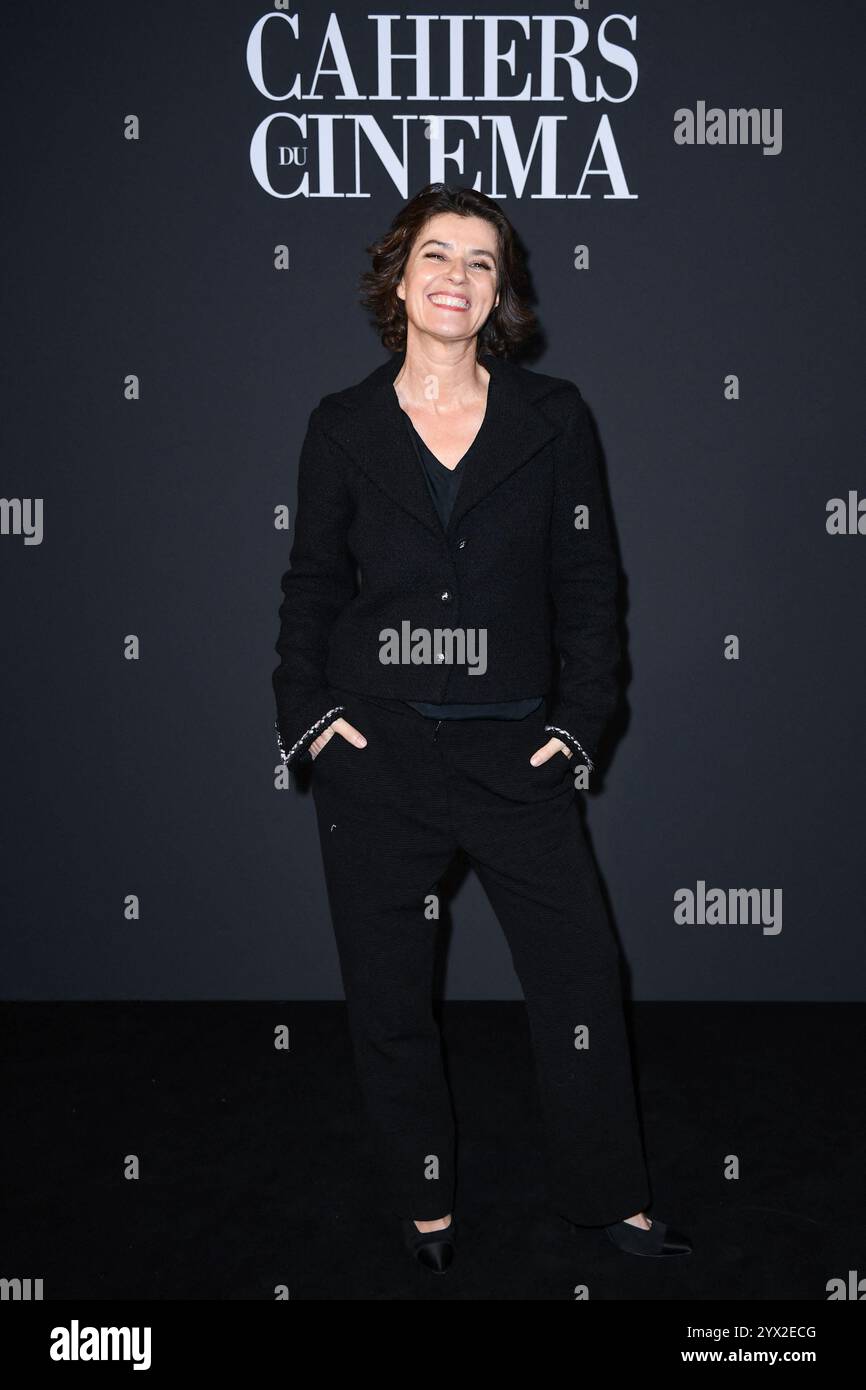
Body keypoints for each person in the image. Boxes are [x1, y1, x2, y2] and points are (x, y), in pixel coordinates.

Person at [272, 183, 691, 1272]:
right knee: (390, 995)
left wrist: (577, 722)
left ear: (498, 292)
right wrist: (308, 716)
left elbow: (589, 585)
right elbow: (311, 584)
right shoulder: (342, 424)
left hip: (516, 755)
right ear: (398, 278)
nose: (456, 278)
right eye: (437, 256)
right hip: (380, 756)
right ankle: (423, 1200)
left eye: (480, 263)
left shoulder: (555, 420)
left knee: (581, 981)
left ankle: (608, 1194)